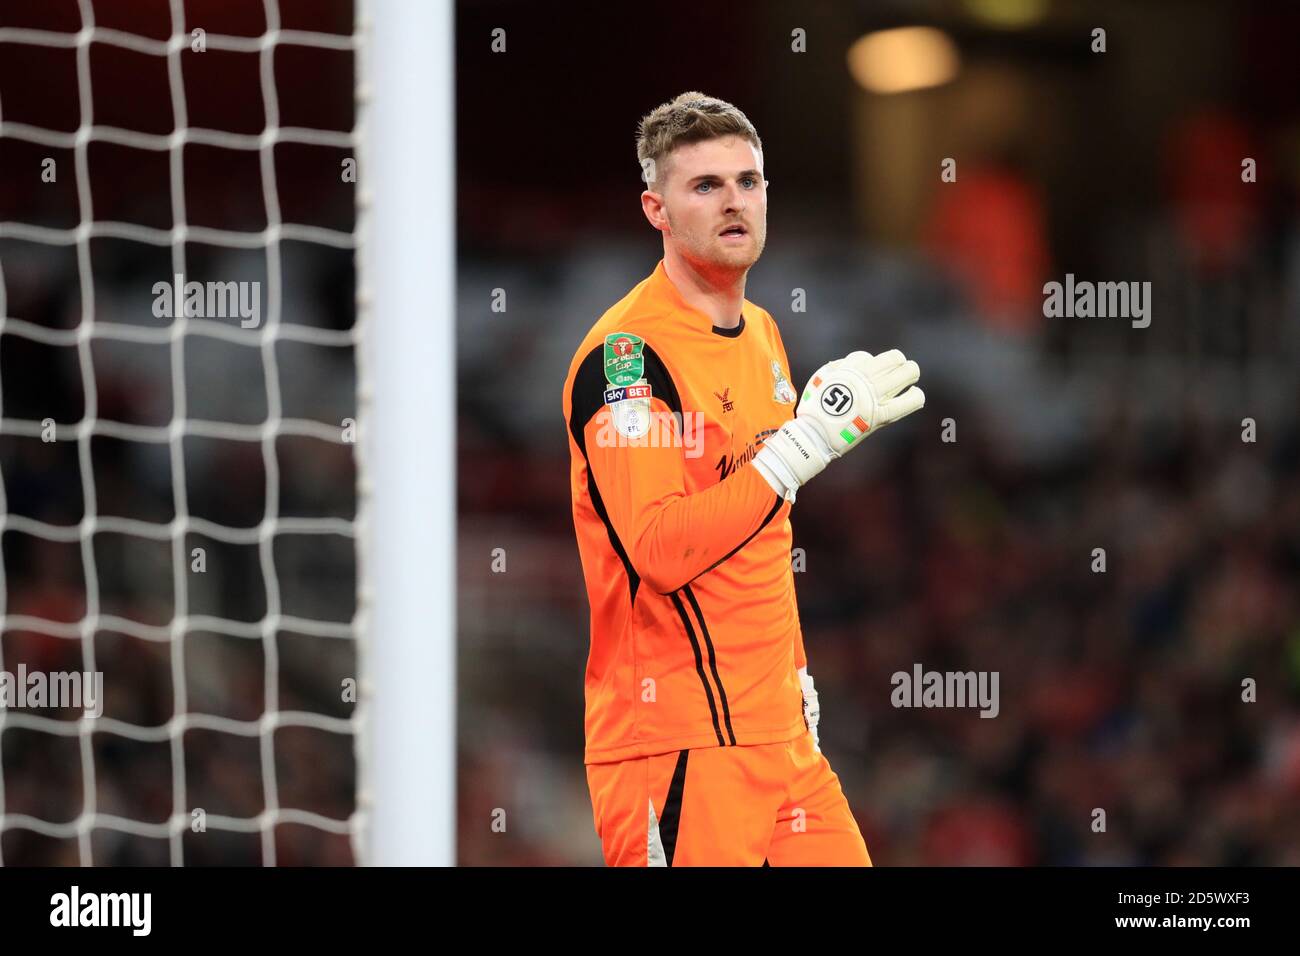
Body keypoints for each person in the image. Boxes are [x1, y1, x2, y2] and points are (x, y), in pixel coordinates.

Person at [561, 92, 925, 865]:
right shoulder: (627, 360)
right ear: (656, 209)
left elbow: (767, 526)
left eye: (748, 181)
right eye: (706, 186)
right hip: (680, 744)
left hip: (781, 737)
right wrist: (804, 445)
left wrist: (794, 673)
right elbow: (657, 550)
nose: (735, 201)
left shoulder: (762, 332)